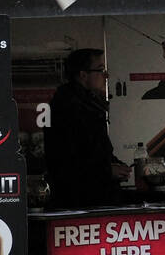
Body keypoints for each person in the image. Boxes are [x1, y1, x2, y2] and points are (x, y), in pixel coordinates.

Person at [46, 48, 131, 208]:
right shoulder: (67, 107)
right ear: (83, 75)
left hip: (94, 196)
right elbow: (66, 162)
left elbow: (97, 150)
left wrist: (116, 165)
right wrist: (108, 170)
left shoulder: (87, 103)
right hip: (81, 201)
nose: (106, 76)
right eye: (100, 70)